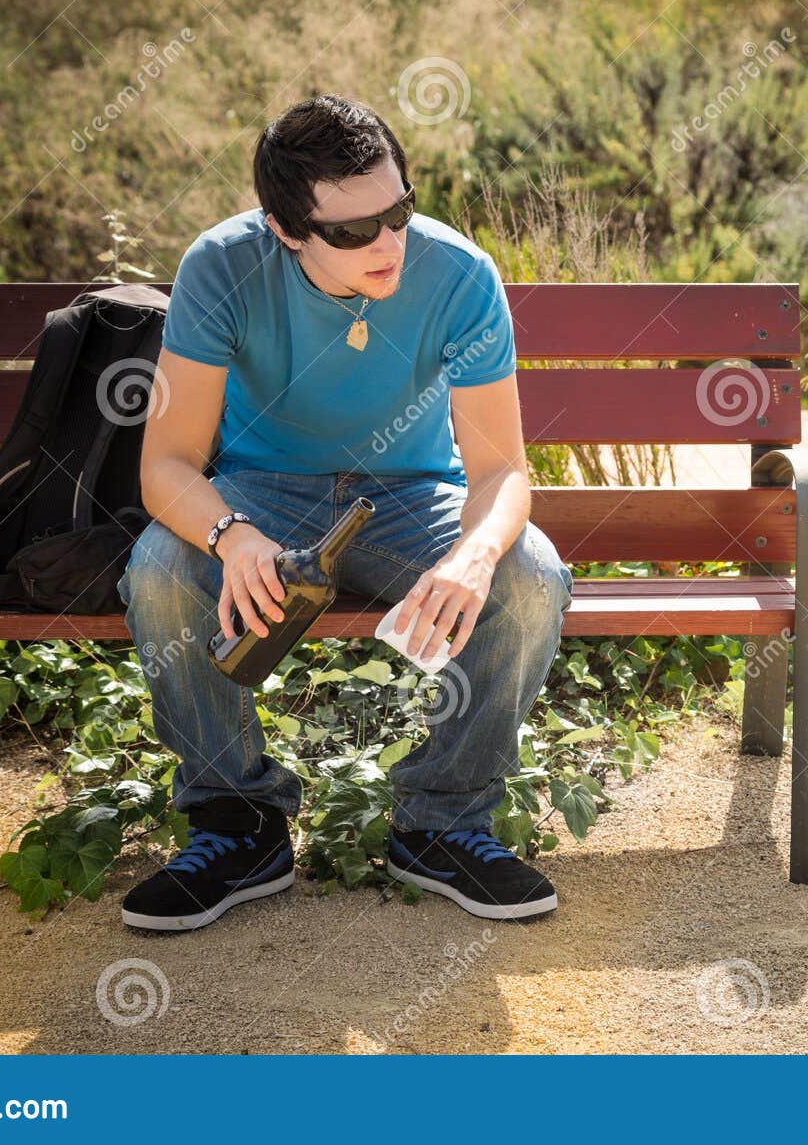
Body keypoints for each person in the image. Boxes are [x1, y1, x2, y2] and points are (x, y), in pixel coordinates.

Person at [115, 93, 573, 932]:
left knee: (530, 573)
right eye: (354, 232)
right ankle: (237, 824)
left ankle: (441, 824)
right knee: (159, 569)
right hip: (261, 496)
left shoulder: (459, 273)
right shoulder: (221, 265)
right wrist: (232, 535)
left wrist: (473, 556)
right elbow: (168, 466)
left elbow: (503, 469)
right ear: (287, 229)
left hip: (412, 500)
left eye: (398, 211)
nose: (389, 244)